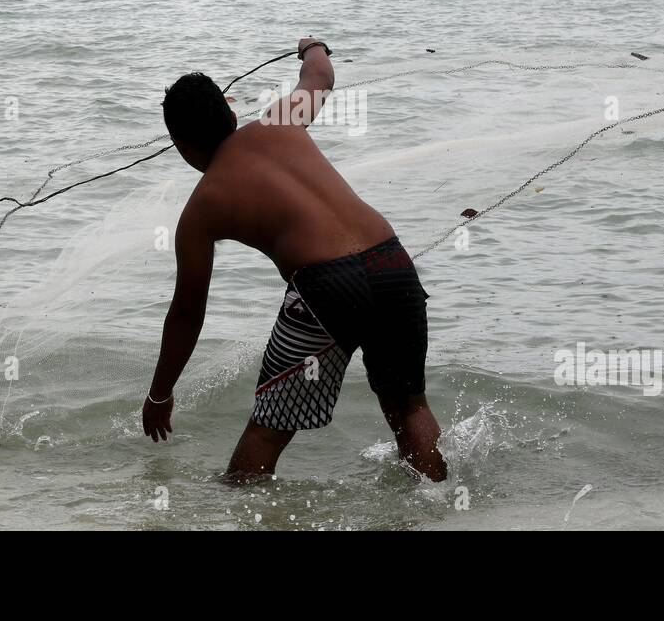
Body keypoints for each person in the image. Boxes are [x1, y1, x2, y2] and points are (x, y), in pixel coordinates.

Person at [142, 38, 447, 482]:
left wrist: (159, 395)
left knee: (267, 429)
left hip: (327, 286)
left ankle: (241, 511)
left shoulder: (201, 210)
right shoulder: (279, 121)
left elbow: (188, 313)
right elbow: (321, 76)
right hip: (392, 265)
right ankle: (439, 506)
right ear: (230, 113)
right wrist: (312, 45)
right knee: (408, 405)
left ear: (180, 146)